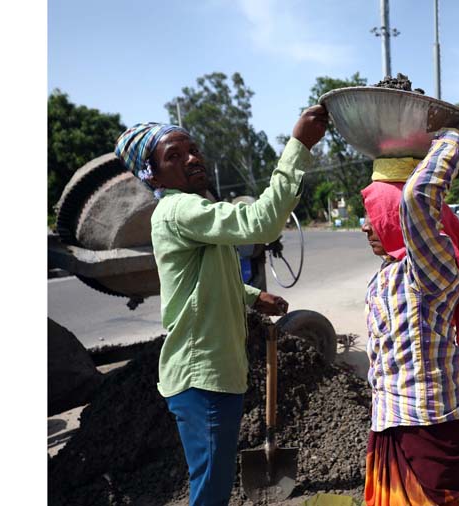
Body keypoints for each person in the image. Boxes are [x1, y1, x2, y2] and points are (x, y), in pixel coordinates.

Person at [113, 105, 328, 506]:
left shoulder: (194, 213)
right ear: (153, 176)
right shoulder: (180, 208)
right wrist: (297, 146)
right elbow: (262, 223)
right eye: (173, 156)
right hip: (202, 378)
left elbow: (206, 278)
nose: (191, 158)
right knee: (210, 492)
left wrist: (253, 296)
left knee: (213, 482)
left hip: (214, 374)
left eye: (192, 149)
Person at [360, 96, 459, 506]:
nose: (366, 224)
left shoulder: (431, 272)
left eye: (373, 211)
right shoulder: (389, 273)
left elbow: (419, 199)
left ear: (394, 216)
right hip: (395, 430)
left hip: (430, 436)